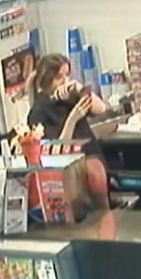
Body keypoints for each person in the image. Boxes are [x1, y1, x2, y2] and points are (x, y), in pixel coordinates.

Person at [26, 53, 110, 209]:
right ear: (46, 81)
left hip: (92, 158)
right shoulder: (39, 112)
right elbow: (55, 151)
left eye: (67, 75)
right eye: (59, 77)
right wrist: (73, 118)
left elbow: (101, 108)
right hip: (72, 174)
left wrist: (79, 89)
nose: (65, 81)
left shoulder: (69, 96)